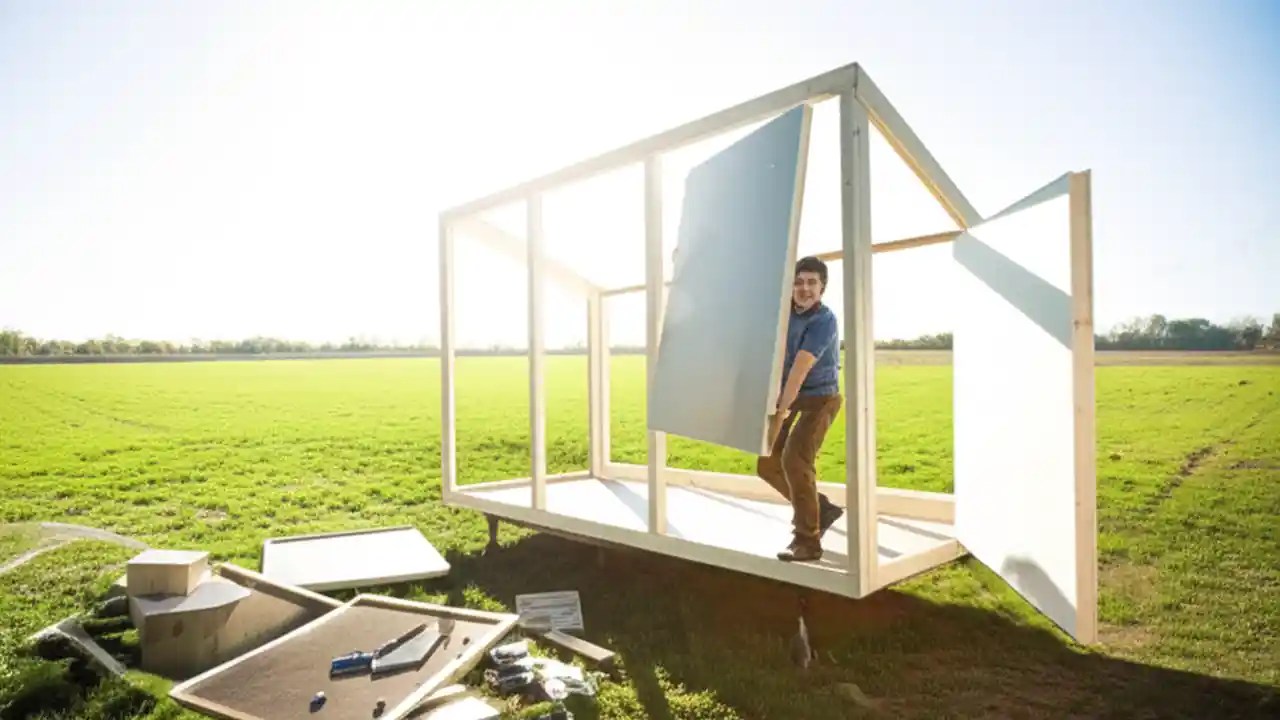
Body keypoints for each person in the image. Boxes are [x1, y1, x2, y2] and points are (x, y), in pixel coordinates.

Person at [756, 256, 844, 562]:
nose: (804, 288)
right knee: (766, 464)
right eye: (798, 282)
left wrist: (780, 412)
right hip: (789, 395)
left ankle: (808, 542)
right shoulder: (785, 315)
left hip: (820, 397)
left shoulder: (824, 320)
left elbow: (799, 369)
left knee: (795, 460)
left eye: (811, 282)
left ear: (822, 287)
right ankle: (822, 508)